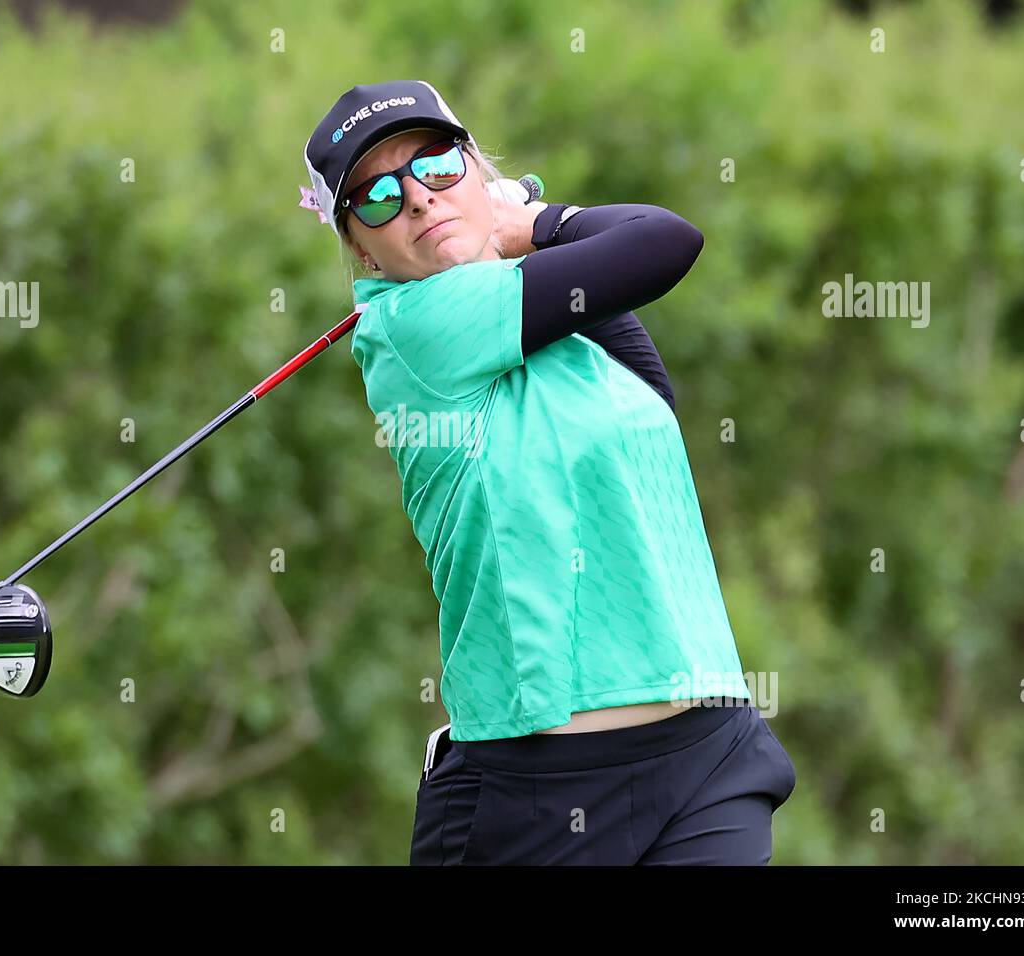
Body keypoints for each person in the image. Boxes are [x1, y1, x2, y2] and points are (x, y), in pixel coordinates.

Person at [303, 80, 796, 865]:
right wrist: (535, 222)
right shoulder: (411, 329)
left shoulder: (545, 321)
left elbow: (652, 401)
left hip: (709, 758)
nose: (420, 202)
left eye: (436, 166)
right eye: (379, 197)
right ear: (362, 248)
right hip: (537, 793)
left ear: (475, 166)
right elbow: (663, 240)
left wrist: (519, 234)